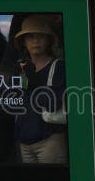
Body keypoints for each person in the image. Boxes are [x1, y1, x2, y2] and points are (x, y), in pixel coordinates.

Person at [14, 15, 68, 164]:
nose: (35, 41)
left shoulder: (58, 67)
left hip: (50, 140)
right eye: (30, 37)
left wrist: (32, 79)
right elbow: (15, 104)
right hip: (24, 142)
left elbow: (53, 103)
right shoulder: (20, 69)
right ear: (23, 42)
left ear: (49, 40)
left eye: (41, 36)